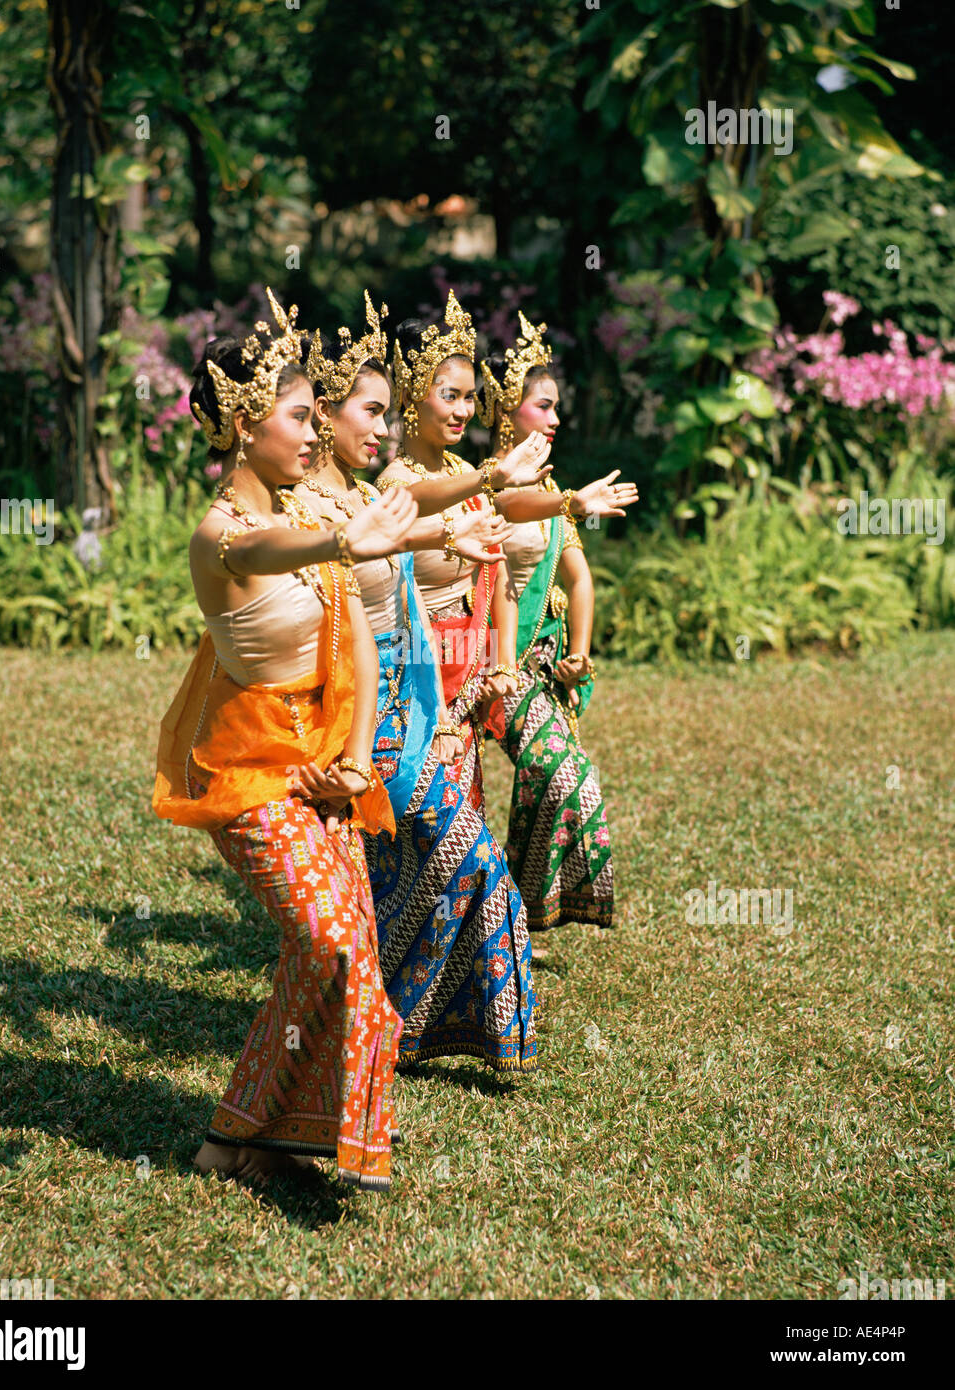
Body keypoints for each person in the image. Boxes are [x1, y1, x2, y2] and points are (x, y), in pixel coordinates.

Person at [152, 289, 418, 1191]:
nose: (313, 434)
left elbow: (360, 641)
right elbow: (264, 552)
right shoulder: (223, 534)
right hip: (250, 778)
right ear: (243, 424)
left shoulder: (315, 516)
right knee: (335, 940)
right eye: (299, 418)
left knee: (327, 954)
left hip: (325, 769)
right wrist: (342, 544)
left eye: (315, 418)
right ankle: (312, 1135)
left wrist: (354, 755)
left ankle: (239, 1141)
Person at [293, 291, 537, 1072]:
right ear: (326, 414)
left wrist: (462, 520)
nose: (382, 428)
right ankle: (380, 1026)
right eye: (369, 411)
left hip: (411, 709)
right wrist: (486, 483)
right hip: (356, 727)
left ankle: (397, 1027)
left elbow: (411, 522)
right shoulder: (306, 511)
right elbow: (376, 540)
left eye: (386, 412)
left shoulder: (365, 497)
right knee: (467, 862)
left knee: (439, 873)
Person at [475, 311, 639, 939]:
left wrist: (581, 653)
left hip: (537, 669)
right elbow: (506, 505)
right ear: (510, 412)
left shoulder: (548, 490)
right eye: (543, 406)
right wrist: (569, 500)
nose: (555, 419)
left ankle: (517, 914)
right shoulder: (488, 487)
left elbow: (580, 577)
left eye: (556, 408)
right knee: (563, 775)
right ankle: (520, 909)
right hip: (485, 662)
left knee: (554, 782)